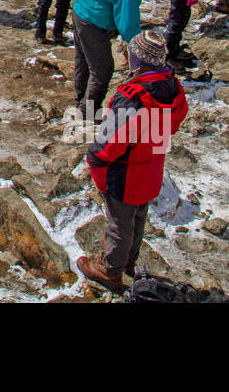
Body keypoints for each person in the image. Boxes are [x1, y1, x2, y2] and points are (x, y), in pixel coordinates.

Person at [79, 29, 188, 293]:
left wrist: (94, 156)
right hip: (152, 163)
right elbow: (177, 117)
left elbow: (111, 141)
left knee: (120, 221)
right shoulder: (173, 87)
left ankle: (111, 269)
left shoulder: (133, 97)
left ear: (138, 61)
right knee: (139, 214)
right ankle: (129, 259)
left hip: (125, 170)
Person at [70, 0, 173, 120]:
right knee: (102, 70)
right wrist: (143, 50)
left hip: (81, 9)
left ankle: (80, 104)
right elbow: (127, 25)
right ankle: (86, 114)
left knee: (83, 62)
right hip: (94, 20)